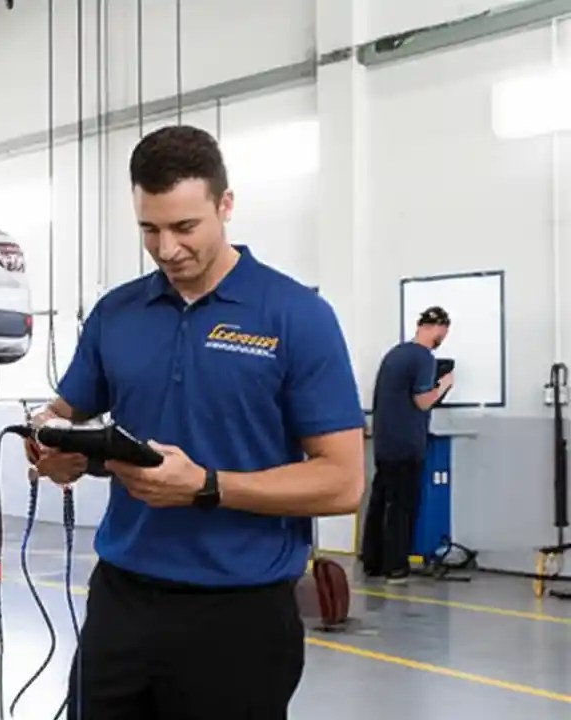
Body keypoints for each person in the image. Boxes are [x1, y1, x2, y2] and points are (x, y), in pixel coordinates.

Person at [26, 124, 366, 719]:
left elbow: (342, 482)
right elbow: (63, 411)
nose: (166, 248)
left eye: (185, 227)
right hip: (122, 599)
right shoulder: (117, 313)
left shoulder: (296, 316)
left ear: (225, 205)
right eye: (148, 229)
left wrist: (208, 486)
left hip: (239, 613)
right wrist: (49, 443)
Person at [361, 306, 454, 584]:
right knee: (403, 505)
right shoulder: (423, 357)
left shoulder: (395, 354)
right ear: (437, 328)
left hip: (385, 441)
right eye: (444, 333)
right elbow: (422, 401)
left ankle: (373, 562)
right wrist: (445, 385)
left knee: (380, 501)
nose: (443, 338)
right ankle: (396, 567)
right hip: (406, 443)